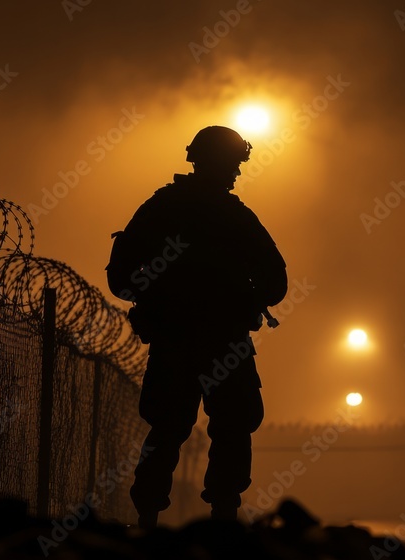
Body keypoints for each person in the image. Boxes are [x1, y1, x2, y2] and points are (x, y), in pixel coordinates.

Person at [124, 126, 287, 527]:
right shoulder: (235, 217)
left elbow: (123, 274)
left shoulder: (162, 208)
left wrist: (160, 298)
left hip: (178, 340)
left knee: (170, 427)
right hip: (220, 341)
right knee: (226, 426)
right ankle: (221, 519)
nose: (236, 173)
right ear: (217, 163)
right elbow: (276, 281)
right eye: (233, 164)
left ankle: (149, 520)